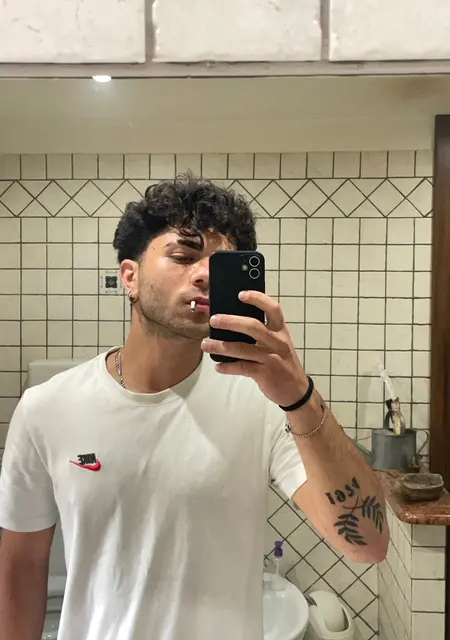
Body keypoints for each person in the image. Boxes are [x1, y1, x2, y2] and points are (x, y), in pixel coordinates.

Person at [0, 174, 388, 640]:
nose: (204, 274)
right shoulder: (47, 407)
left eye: (220, 265)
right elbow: (22, 566)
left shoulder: (263, 401)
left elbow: (367, 545)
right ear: (130, 277)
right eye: (183, 257)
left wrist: (299, 397)